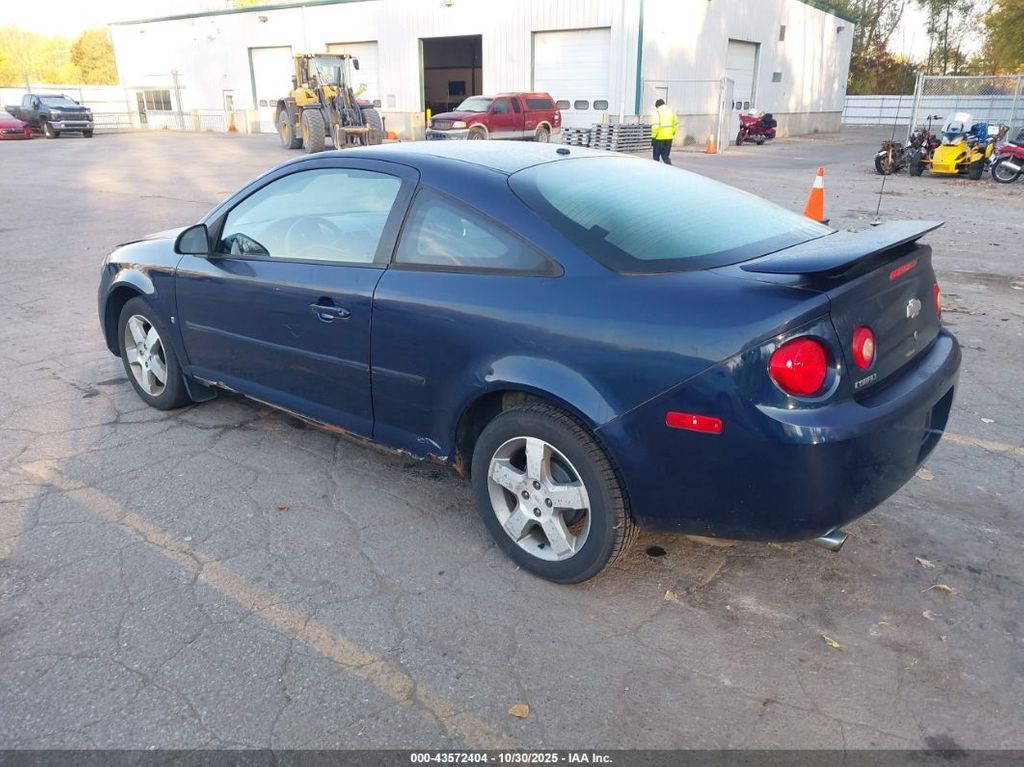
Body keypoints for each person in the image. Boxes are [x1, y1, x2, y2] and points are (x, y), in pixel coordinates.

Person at [651, 98, 679, 165]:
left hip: (659, 138)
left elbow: (655, 126)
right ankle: (670, 168)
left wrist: (653, 137)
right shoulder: (671, 111)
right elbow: (676, 124)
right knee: (665, 156)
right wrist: (672, 132)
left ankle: (656, 169)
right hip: (669, 138)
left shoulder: (657, 112)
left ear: (657, 106)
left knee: (656, 157)